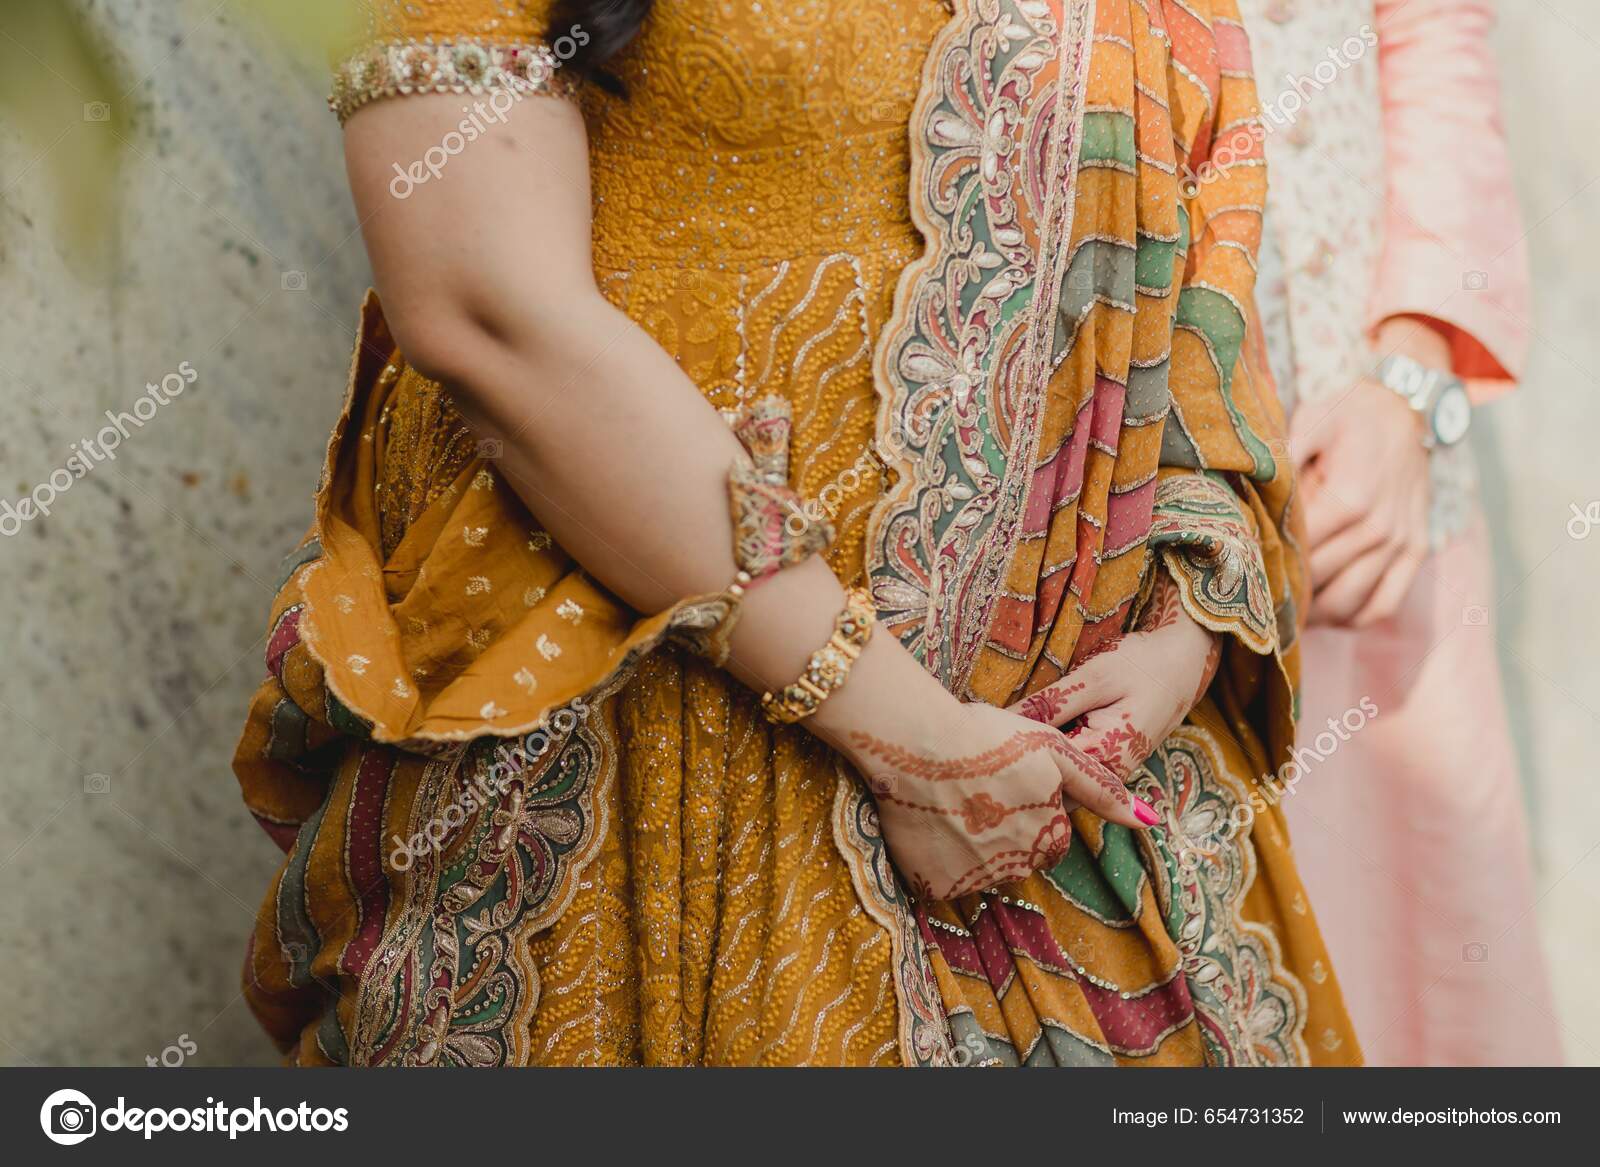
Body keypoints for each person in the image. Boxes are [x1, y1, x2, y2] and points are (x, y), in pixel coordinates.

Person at [232, 0, 1359, 1066]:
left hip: (1077, 806)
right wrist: (906, 736)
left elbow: (1185, 249)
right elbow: (487, 313)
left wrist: (1181, 622)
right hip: (658, 742)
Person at [1238, 0, 1561, 1064]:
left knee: (1422, 979)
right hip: (1110, 520)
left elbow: (1431, 34)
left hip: (1374, 502)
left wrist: (1409, 391)